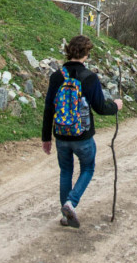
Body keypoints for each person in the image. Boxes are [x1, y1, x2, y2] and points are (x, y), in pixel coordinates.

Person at [41, 35, 122, 228]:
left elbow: (48, 108)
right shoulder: (90, 78)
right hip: (82, 135)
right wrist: (116, 106)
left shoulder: (56, 76)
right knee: (87, 168)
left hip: (60, 134)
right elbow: (101, 108)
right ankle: (71, 203)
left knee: (65, 171)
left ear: (68, 51)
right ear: (86, 54)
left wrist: (46, 138)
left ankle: (65, 215)